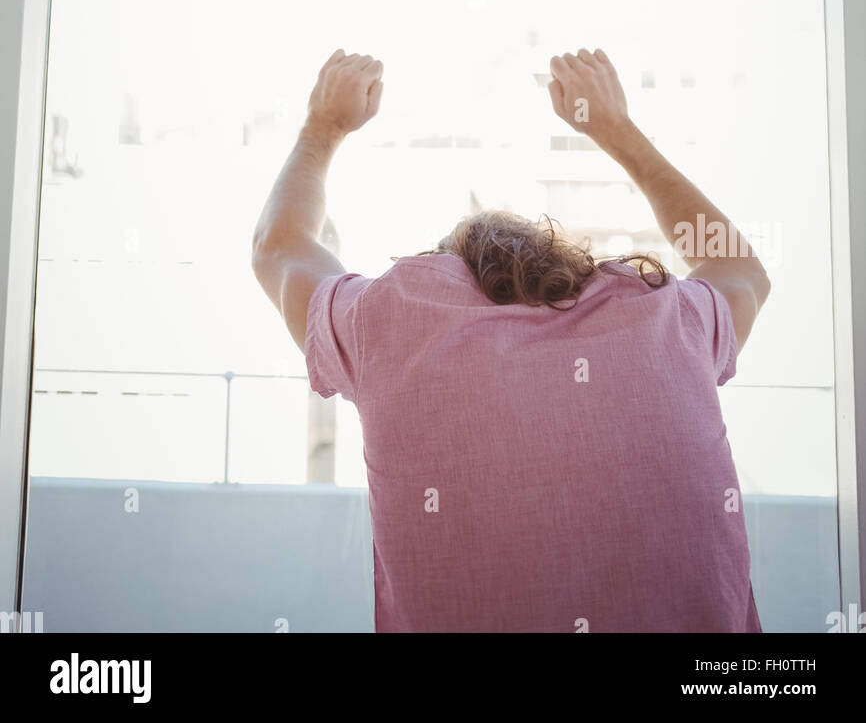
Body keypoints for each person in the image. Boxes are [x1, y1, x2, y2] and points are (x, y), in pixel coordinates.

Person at [252, 47, 771, 633]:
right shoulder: (666, 318)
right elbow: (740, 269)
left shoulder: (389, 323)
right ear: (566, 264)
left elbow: (279, 246)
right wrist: (615, 129)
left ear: (448, 268)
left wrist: (323, 127)